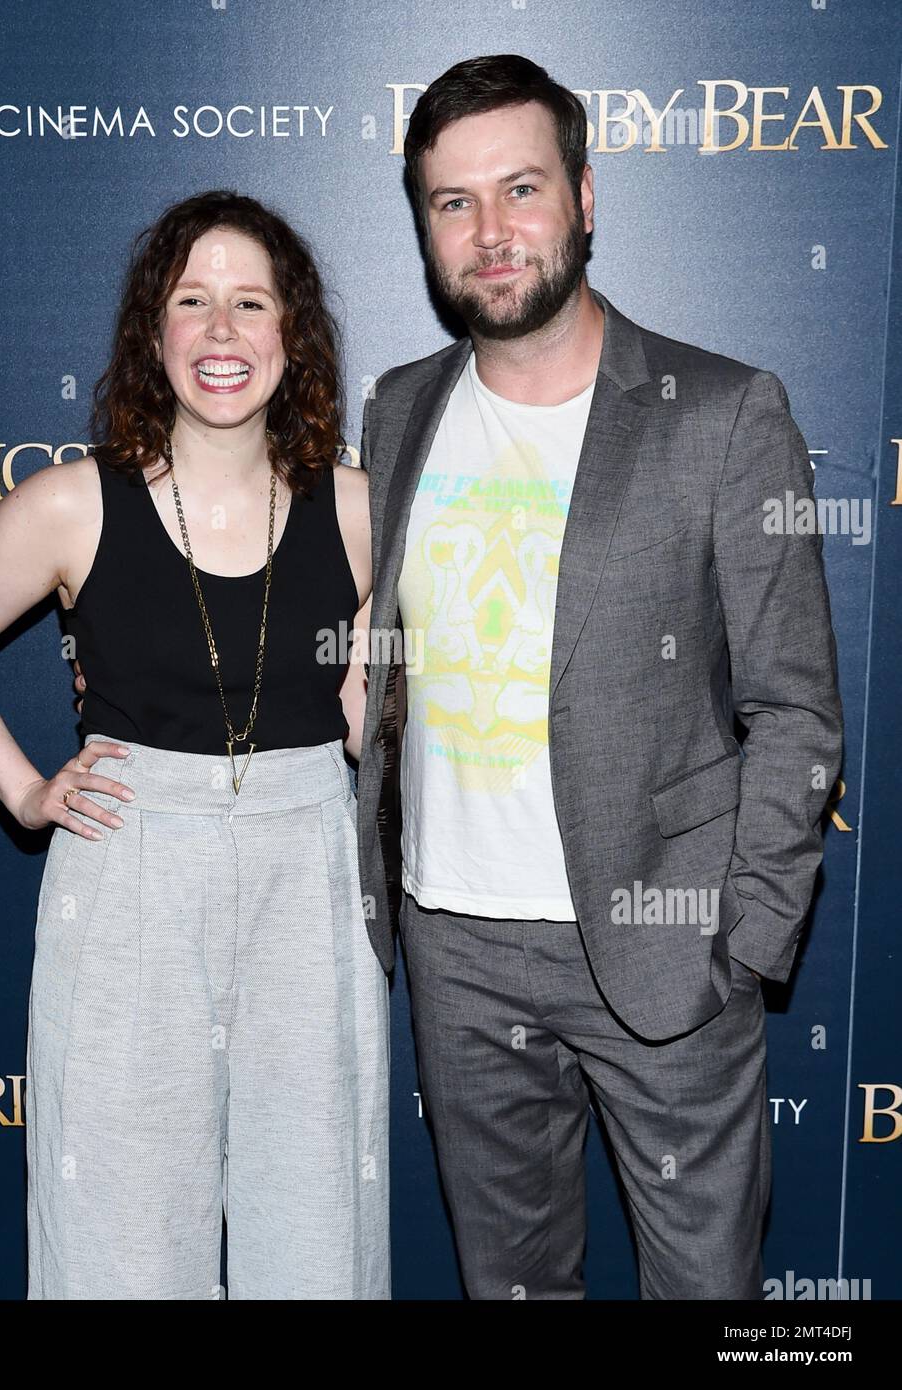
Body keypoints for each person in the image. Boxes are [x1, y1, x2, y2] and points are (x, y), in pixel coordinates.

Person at [355, 55, 844, 1299]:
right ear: (422, 225)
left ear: (584, 194)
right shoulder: (399, 408)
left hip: (661, 946)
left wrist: (746, 942)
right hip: (453, 942)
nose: (491, 231)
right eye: (452, 201)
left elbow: (792, 704)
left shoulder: (723, 412)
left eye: (519, 188)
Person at [0, 191, 389, 1301]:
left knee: (317, 1215)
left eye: (250, 303)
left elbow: (378, 698)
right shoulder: (72, 507)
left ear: (290, 334)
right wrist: (26, 790)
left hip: (307, 865)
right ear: (152, 333)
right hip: (129, 866)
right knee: (116, 1222)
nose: (221, 332)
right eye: (192, 302)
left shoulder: (361, 510)